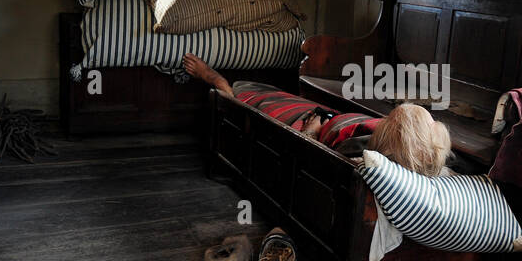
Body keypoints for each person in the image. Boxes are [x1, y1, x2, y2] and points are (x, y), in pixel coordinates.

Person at [180, 53, 452, 175]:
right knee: (278, 95)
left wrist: (311, 131)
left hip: (313, 126)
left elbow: (309, 156)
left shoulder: (365, 159)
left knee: (247, 106)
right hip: (337, 118)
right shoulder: (412, 146)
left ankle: (218, 81)